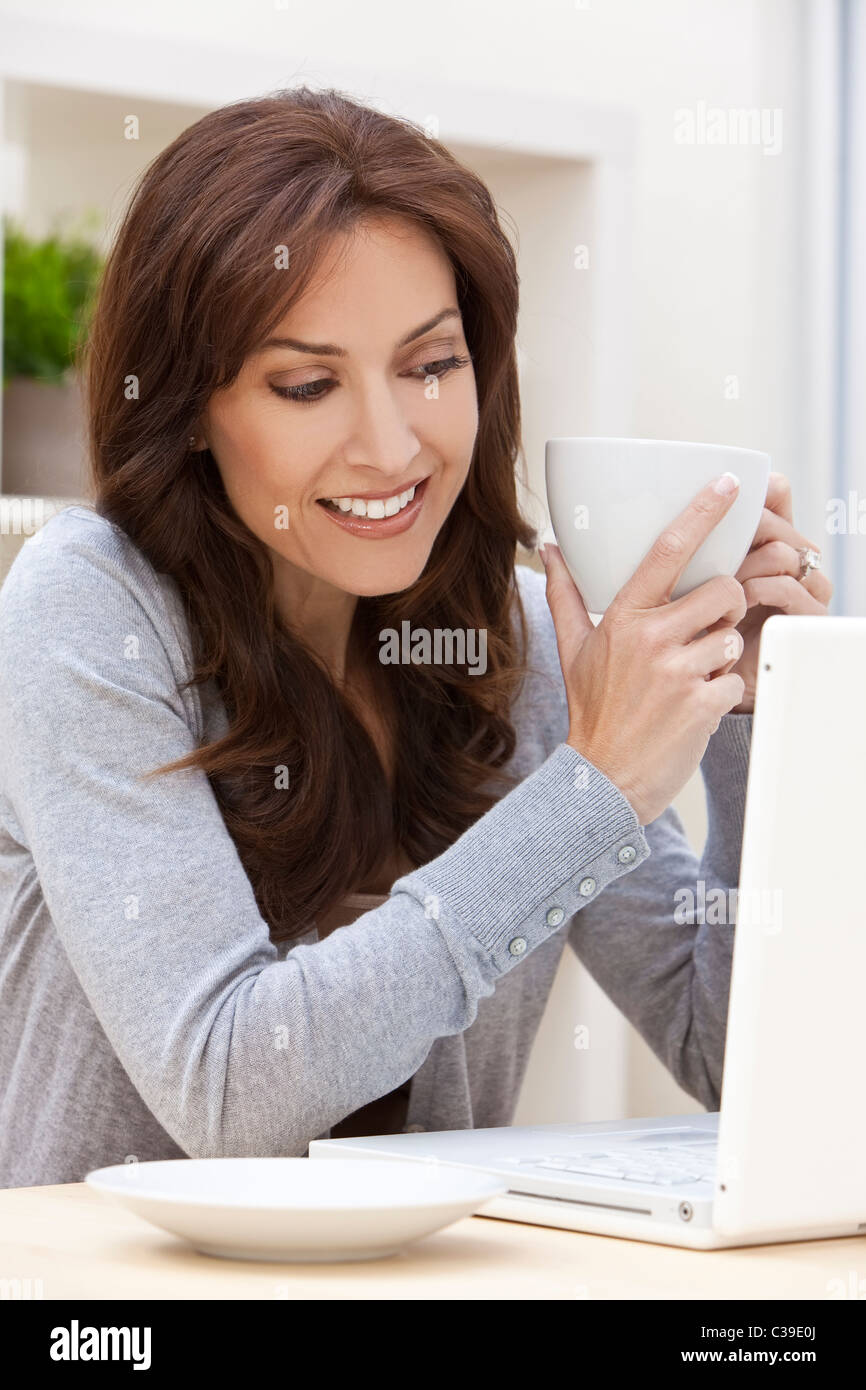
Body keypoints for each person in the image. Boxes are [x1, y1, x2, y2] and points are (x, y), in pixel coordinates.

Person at [0, 87, 832, 1187]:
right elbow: (231, 1088)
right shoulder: (93, 606)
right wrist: (593, 790)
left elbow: (720, 1051)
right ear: (193, 407)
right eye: (307, 384)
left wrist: (750, 721)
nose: (390, 447)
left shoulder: (523, 644)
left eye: (430, 365)